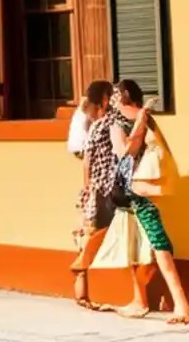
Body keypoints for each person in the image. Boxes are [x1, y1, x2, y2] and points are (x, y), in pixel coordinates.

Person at [108, 79, 189, 324]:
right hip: (152, 186)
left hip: (135, 189)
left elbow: (124, 153)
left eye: (114, 94)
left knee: (153, 241)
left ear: (122, 96)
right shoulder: (146, 117)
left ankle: (179, 303)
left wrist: (136, 126)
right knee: (148, 241)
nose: (112, 99)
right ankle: (147, 300)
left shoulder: (120, 122)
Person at [71, 80, 119, 309]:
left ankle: (82, 292)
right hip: (105, 189)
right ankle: (81, 266)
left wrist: (87, 186)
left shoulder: (93, 126)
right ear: (105, 100)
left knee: (91, 233)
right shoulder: (107, 123)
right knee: (99, 232)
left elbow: (87, 161)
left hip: (95, 189)